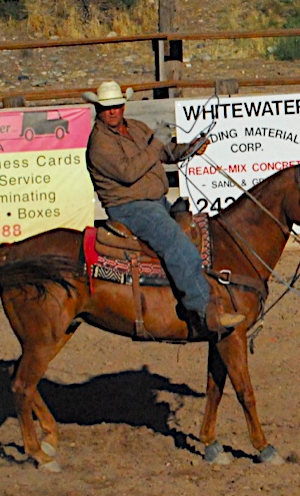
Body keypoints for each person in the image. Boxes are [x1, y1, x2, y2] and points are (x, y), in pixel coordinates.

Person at [83, 81, 246, 337]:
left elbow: (164, 152)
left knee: (195, 230)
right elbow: (128, 172)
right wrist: (157, 144)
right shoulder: (99, 143)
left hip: (155, 202)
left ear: (123, 106)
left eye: (116, 106)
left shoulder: (135, 127)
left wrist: (189, 148)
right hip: (129, 207)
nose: (112, 111)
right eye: (106, 108)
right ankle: (204, 310)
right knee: (175, 242)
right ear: (98, 109)